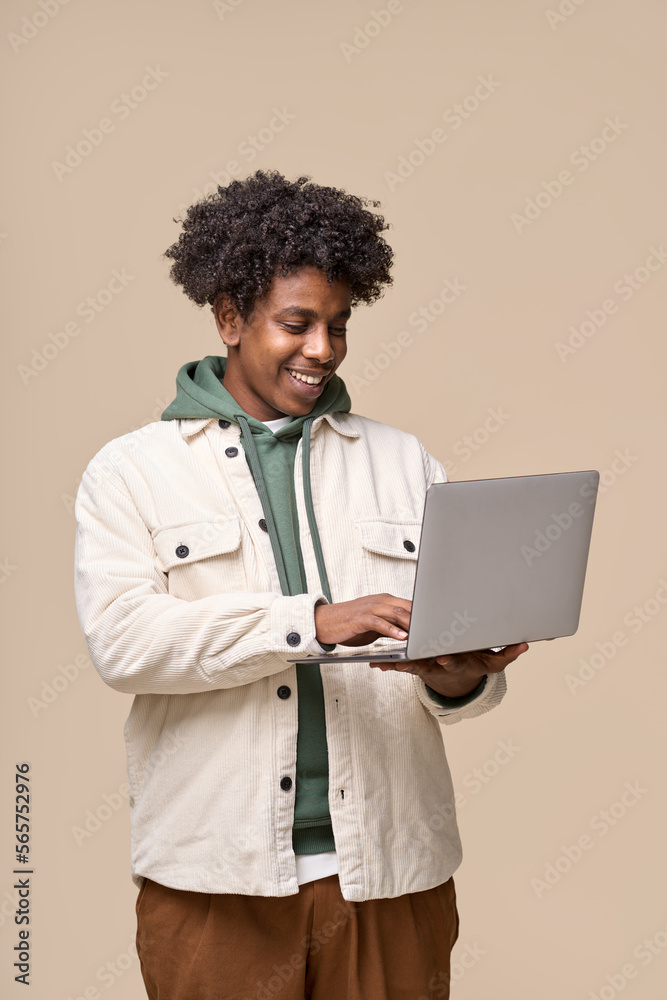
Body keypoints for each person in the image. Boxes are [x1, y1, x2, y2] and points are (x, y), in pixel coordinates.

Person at [74, 169, 528, 1000]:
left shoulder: (404, 463)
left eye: (338, 324)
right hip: (217, 883)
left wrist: (460, 680)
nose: (322, 348)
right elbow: (125, 646)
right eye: (296, 323)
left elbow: (449, 675)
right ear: (228, 316)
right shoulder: (130, 472)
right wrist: (311, 622)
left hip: (391, 874)